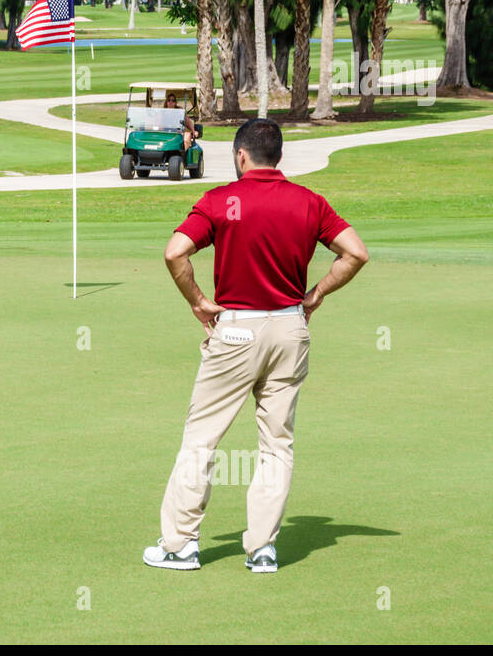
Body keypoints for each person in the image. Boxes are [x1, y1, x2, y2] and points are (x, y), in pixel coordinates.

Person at [144, 118, 369, 574]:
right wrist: (317, 293)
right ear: (279, 157)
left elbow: (174, 252)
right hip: (290, 328)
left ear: (240, 156)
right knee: (276, 444)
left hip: (235, 331)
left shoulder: (219, 201)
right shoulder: (309, 202)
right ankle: (262, 548)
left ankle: (180, 544)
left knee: (202, 439)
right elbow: (356, 253)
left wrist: (199, 303)